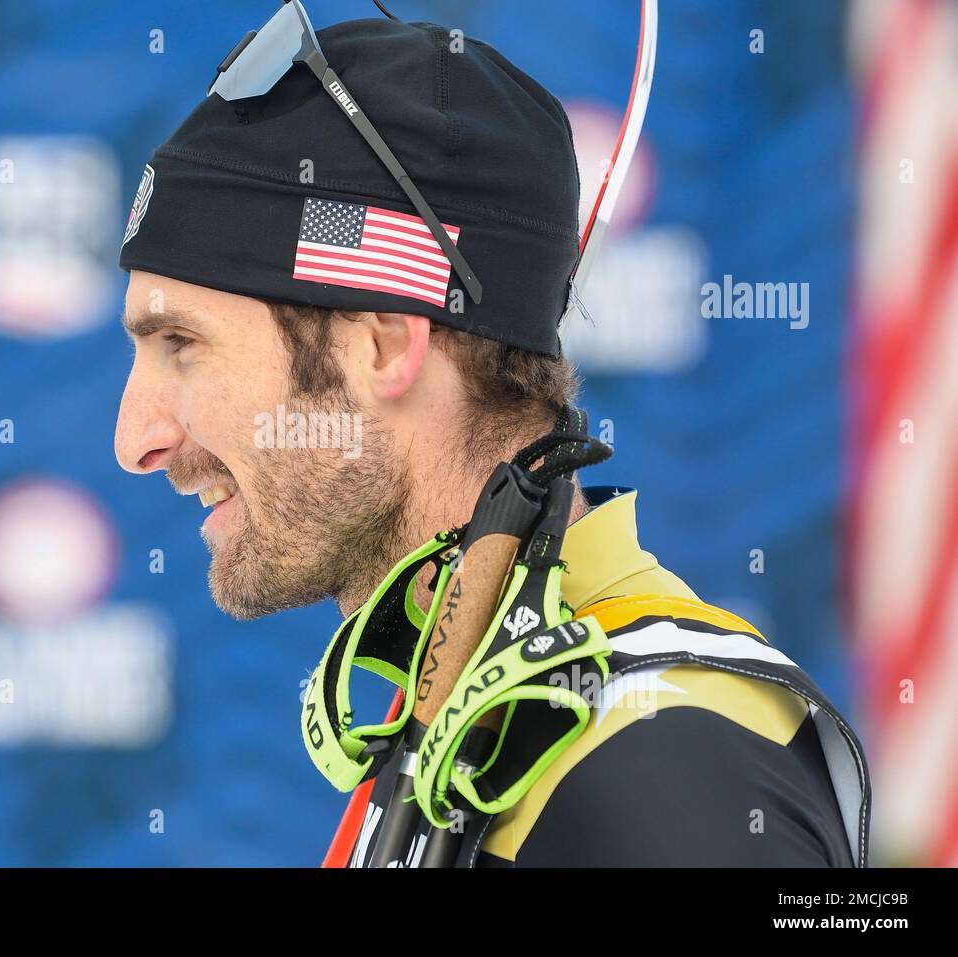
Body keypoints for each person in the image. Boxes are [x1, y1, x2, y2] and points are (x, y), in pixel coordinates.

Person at [114, 8, 869, 866]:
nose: (136, 438)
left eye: (182, 344)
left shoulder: (661, 764)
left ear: (385, 343)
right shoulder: (468, 717)